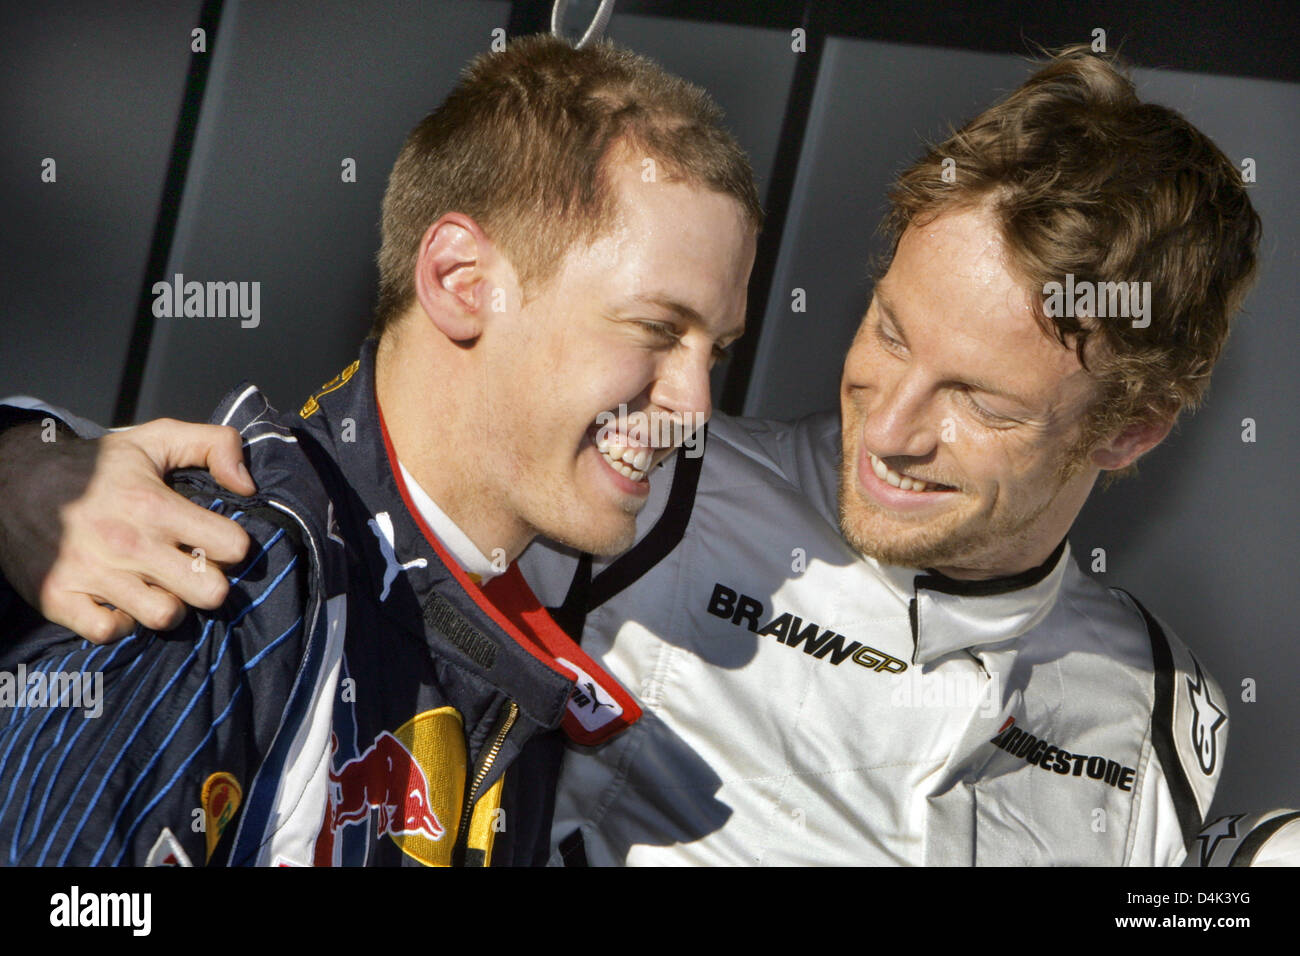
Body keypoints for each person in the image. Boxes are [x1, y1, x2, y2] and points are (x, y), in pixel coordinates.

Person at [1, 47, 1262, 865]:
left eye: (980, 401)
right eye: (885, 330)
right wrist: (22, 460)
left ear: (1129, 431)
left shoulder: (1156, 700)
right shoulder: (646, 492)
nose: (889, 426)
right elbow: (394, 471)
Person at [0, 33, 759, 866]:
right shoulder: (213, 573)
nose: (695, 408)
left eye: (714, 352)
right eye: (657, 328)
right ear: (462, 281)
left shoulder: (517, 666)